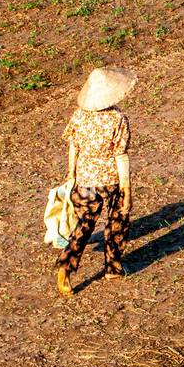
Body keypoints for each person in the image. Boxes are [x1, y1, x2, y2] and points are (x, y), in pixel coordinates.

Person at [55, 66, 136, 296]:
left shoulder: (79, 116)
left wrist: (71, 175)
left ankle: (65, 267)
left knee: (83, 226)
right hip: (112, 180)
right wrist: (127, 191)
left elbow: (74, 147)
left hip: (85, 181)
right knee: (117, 222)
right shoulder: (118, 119)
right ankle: (113, 267)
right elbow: (121, 155)